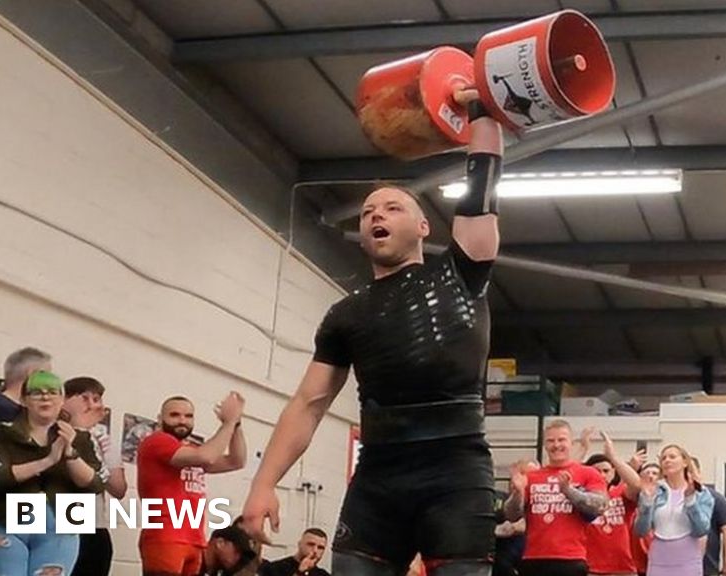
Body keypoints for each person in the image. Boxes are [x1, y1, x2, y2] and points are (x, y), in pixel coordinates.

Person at [241, 88, 504, 576]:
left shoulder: (461, 271)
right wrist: (263, 484)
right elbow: (308, 404)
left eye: (391, 208)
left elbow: (482, 190)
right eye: (367, 212)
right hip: (379, 478)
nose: (376, 215)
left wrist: (482, 110)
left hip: (456, 472)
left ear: (425, 226)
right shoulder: (346, 315)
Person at [0, 370, 107, 576]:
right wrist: (48, 460)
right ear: (24, 399)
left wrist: (70, 452)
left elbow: (97, 483)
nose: (45, 397)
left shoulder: (82, 438)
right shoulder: (0, 431)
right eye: (37, 392)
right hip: (3, 520)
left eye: (53, 392)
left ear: (62, 399)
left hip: (62, 526)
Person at [138, 394, 246, 576]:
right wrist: (228, 423)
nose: (182, 420)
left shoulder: (192, 450)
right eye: (174, 415)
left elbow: (237, 461)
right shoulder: (157, 441)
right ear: (160, 419)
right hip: (166, 535)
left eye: (188, 416)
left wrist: (236, 424)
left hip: (193, 538)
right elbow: (206, 456)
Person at [505, 420, 608, 576]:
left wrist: (568, 491)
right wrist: (518, 492)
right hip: (533, 559)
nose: (556, 445)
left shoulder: (588, 473)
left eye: (561, 440)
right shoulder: (531, 476)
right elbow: (512, 515)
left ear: (571, 443)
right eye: (551, 441)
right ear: (545, 445)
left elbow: (600, 506)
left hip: (570, 558)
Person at [64, 377, 127, 576]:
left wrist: (102, 452)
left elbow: (119, 490)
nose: (91, 405)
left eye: (97, 399)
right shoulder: (53, 431)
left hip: (94, 527)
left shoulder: (103, 439)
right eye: (84, 398)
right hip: (59, 527)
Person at [633, 444, 714, 576]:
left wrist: (690, 501)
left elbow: (701, 529)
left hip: (688, 559)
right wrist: (647, 502)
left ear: (684, 462)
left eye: (672, 457)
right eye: (663, 458)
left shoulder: (701, 492)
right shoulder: (654, 490)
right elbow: (641, 531)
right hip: (659, 559)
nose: (667, 460)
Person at [584, 431, 642, 576]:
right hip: (590, 568)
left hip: (622, 568)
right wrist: (582, 448)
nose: (602, 475)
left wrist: (613, 457)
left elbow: (636, 485)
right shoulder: (581, 497)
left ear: (613, 473)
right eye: (596, 471)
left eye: (606, 471)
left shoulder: (620, 492)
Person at [0, 347, 51, 440]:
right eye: (46, 376)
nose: (49, 382)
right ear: (33, 373)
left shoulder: (1, 405)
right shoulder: (1, 409)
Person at [692, 458, 726, 576]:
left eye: (691, 470)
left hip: (707, 566)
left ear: (698, 472)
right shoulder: (669, 497)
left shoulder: (715, 498)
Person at [260, 528, 331, 576]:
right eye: (311, 544)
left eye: (320, 548)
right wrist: (300, 573)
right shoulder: (275, 568)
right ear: (299, 544)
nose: (315, 550)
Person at [633, 463, 660, 576]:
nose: (650, 476)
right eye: (647, 473)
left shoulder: (665, 499)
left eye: (654, 473)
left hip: (658, 556)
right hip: (635, 559)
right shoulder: (633, 496)